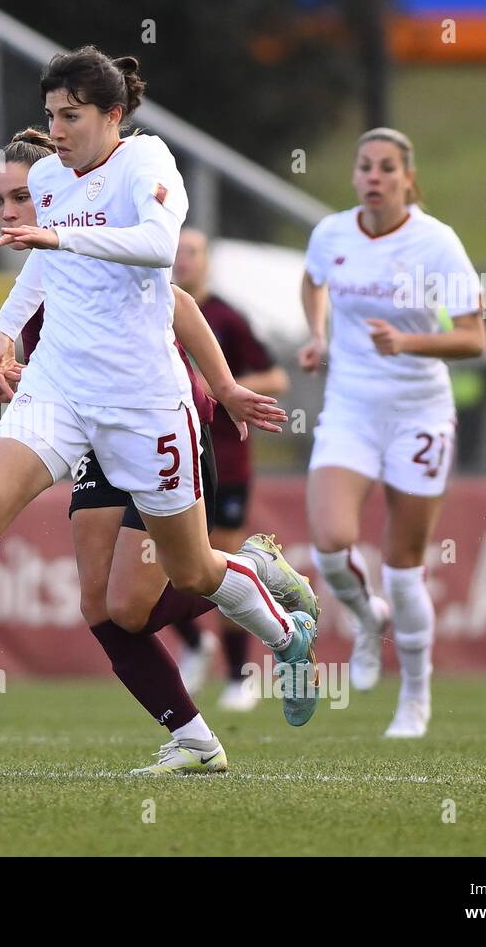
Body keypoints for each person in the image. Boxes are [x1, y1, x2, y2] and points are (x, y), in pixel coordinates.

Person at [0, 47, 320, 773]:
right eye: (51, 116)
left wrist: (221, 388)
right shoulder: (52, 178)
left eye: (72, 116)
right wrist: (3, 338)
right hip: (58, 390)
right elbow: (41, 262)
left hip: (145, 402)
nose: (56, 132)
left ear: (112, 115)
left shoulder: (146, 164)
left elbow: (158, 250)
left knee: (186, 573)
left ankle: (283, 631)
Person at [0, 129, 269, 773]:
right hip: (94, 431)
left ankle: (250, 579)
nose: (10, 213)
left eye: (22, 196)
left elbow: (178, 303)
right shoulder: (40, 263)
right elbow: (54, 352)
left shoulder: (91, 232)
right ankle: (195, 738)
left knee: (157, 590)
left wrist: (224, 387)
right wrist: (8, 367)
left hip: (157, 417)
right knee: (101, 606)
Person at [298, 127, 486, 738]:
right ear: (354, 176)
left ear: (408, 179)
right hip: (351, 407)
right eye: (365, 166)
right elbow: (313, 279)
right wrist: (318, 335)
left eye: (387, 168)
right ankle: (364, 617)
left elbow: (473, 337)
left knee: (405, 569)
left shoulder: (436, 242)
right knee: (329, 543)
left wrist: (407, 341)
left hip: (419, 411)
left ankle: (415, 695)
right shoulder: (331, 233)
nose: (374, 177)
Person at [169, 228, 290, 707]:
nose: (183, 260)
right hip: (173, 454)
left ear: (207, 262)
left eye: (192, 252)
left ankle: (241, 676)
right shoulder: (152, 306)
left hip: (227, 458)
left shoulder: (225, 317)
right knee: (160, 562)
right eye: (176, 251)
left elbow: (276, 374)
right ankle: (198, 644)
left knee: (218, 562)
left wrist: (224, 386)